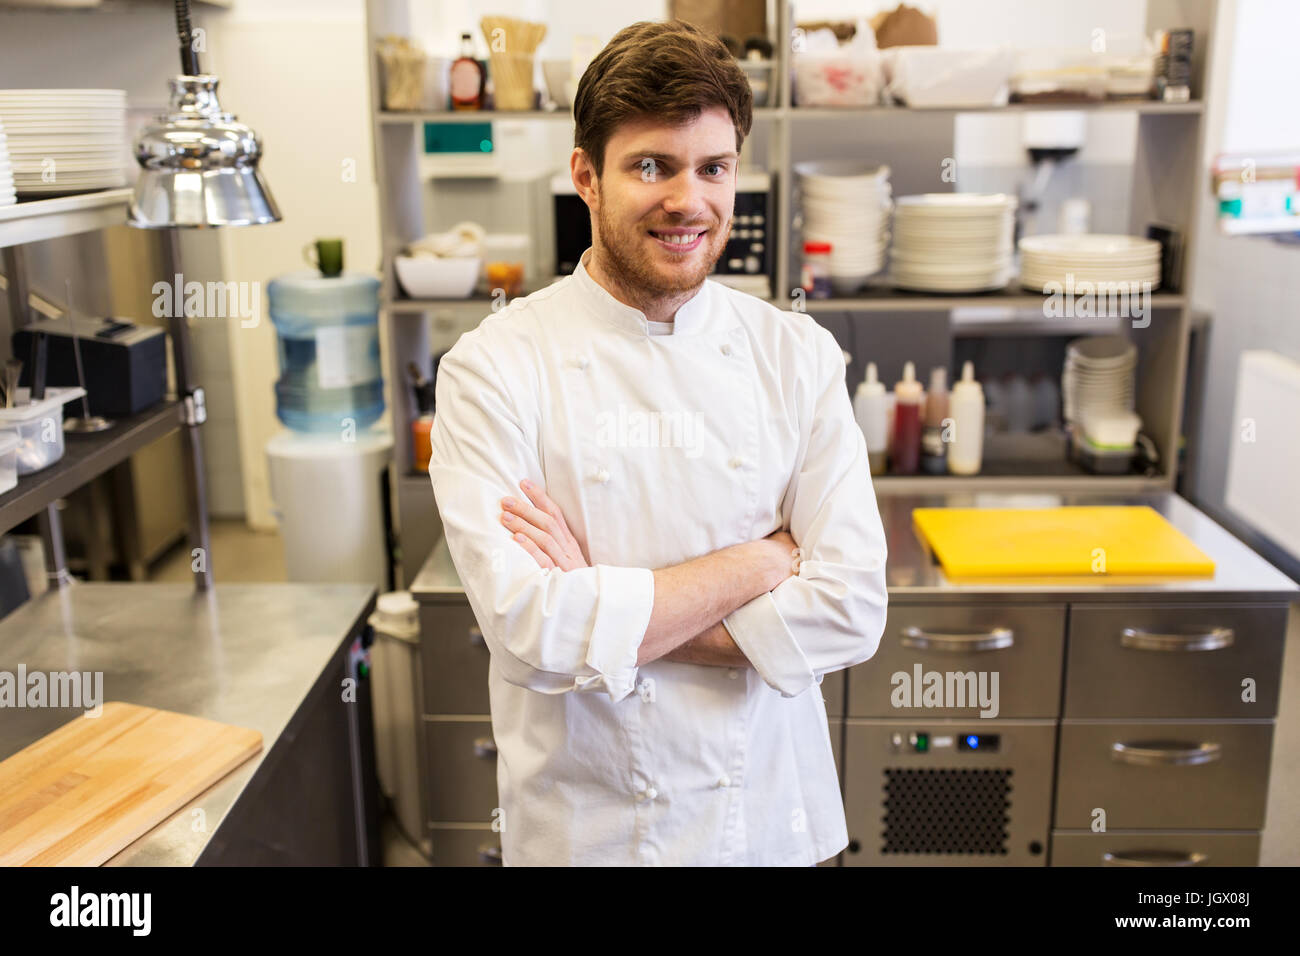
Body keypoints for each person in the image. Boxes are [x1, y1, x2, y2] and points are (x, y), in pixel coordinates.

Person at [428, 18, 888, 866]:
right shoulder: (493, 369)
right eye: (651, 166)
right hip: (592, 835)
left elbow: (853, 610)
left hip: (772, 826)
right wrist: (756, 565)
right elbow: (530, 632)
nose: (690, 201)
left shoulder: (796, 355)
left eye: (713, 168)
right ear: (586, 179)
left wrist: (603, 608)